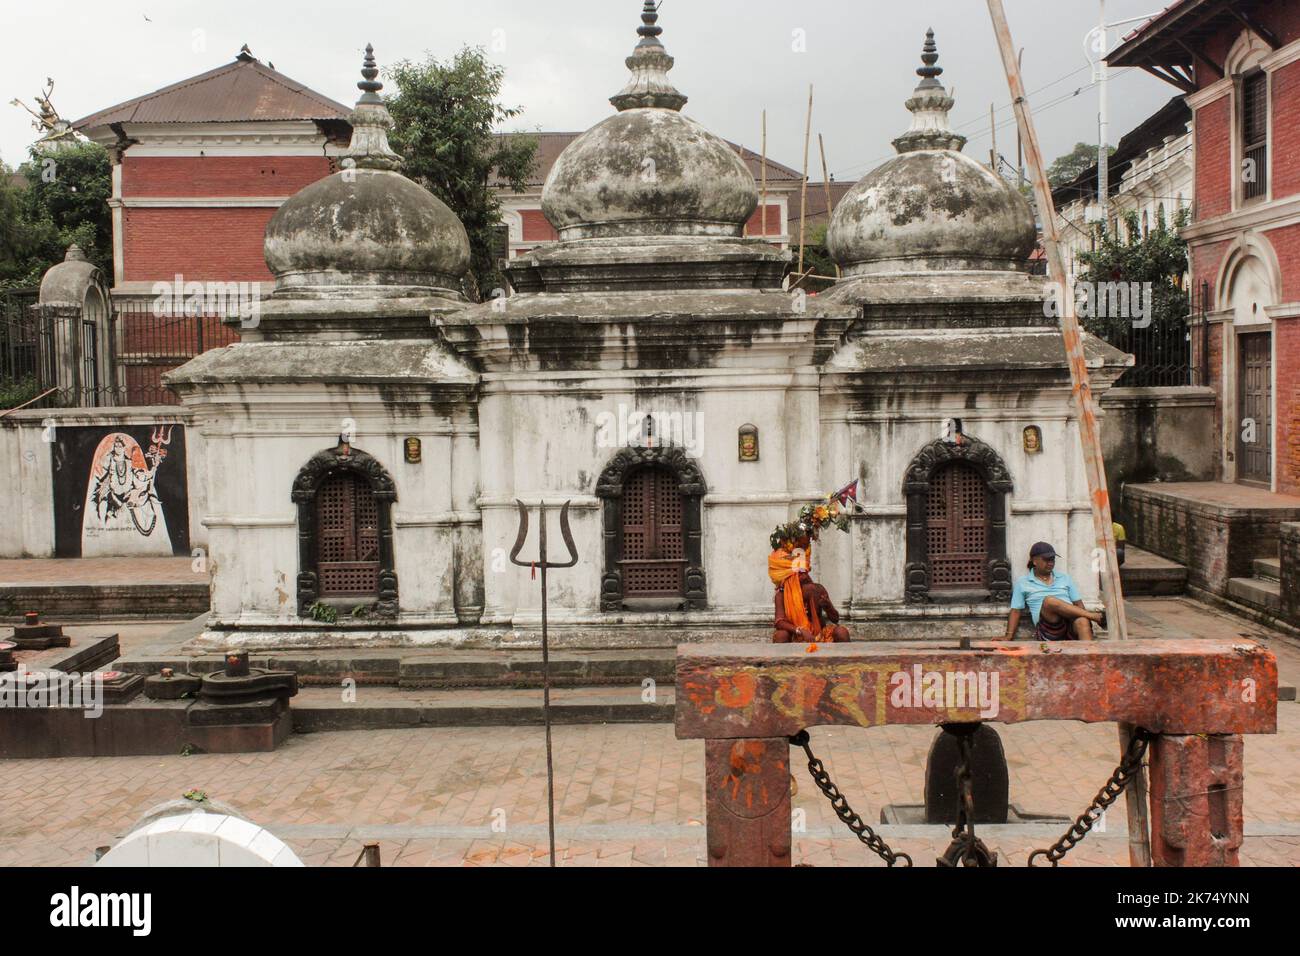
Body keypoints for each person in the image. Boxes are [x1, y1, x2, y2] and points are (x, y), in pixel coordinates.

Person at [1000, 541, 1105, 642]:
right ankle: (1094, 616)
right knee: (1049, 601)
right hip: (1049, 629)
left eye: (1052, 559)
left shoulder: (1065, 578)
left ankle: (1089, 656)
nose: (1050, 563)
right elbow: (1015, 611)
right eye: (1046, 559)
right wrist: (1008, 636)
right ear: (1034, 561)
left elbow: (1078, 604)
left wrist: (1084, 620)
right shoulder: (1023, 582)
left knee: (1082, 621)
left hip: (1069, 624)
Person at [769, 531, 849, 643]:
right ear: (791, 575)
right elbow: (779, 622)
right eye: (800, 573)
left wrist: (828, 606)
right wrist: (799, 630)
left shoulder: (817, 589)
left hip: (819, 635)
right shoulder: (782, 594)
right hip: (796, 635)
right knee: (780, 635)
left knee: (842, 631)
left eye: (805, 571)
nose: (805, 575)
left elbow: (835, 618)